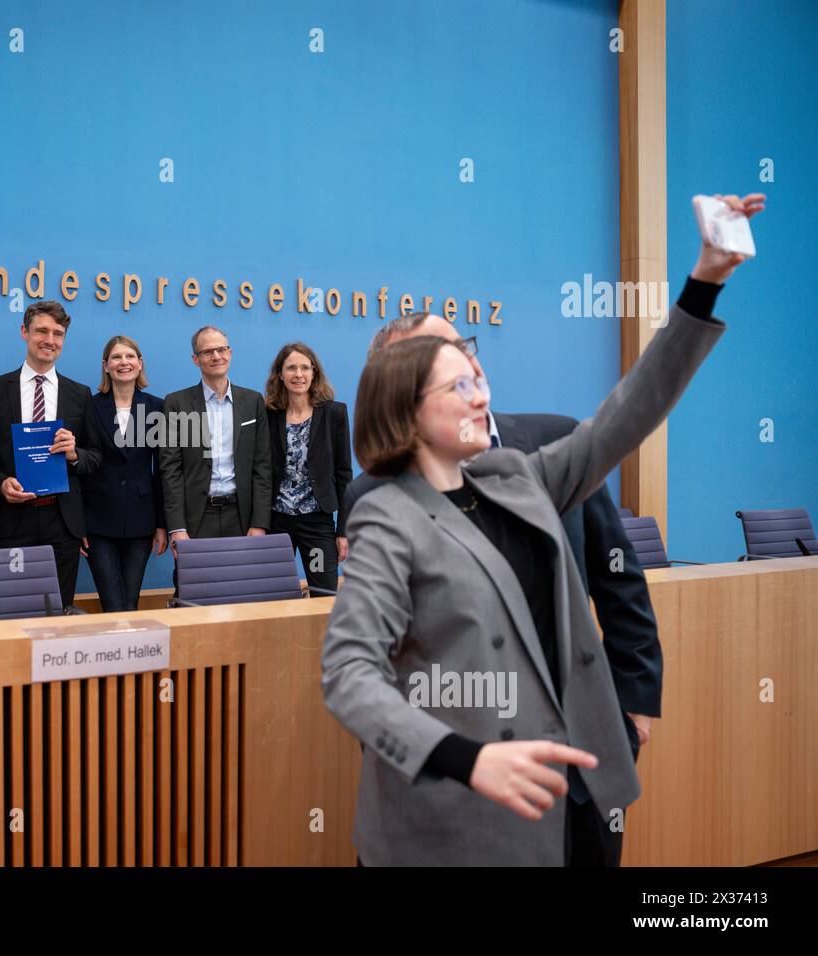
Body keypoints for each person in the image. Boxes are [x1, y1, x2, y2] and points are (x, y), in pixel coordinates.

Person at [322, 193, 763, 866]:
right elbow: (350, 674)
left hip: (570, 776)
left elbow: (629, 411)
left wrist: (704, 281)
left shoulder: (519, 476)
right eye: (458, 387)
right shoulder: (387, 513)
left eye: (477, 376)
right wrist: (466, 760)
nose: (484, 394)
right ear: (406, 413)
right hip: (458, 810)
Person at [344, 315, 663, 865]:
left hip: (579, 763)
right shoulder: (374, 493)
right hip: (459, 782)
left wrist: (634, 704)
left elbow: (618, 577)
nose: (462, 364)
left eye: (459, 347)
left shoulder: (553, 444)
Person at [0, 300, 101, 608]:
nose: (50, 340)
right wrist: (1, 482)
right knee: (12, 610)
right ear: (24, 332)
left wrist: (74, 454)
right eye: (42, 331)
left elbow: (95, 455)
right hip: (12, 519)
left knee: (58, 612)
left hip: (63, 521)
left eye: (58, 333)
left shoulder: (79, 393)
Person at [160, 326, 272, 553]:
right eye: (208, 351)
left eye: (221, 349)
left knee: (242, 586)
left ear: (230, 353)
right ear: (195, 359)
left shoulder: (253, 401)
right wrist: (177, 527)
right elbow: (170, 469)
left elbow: (263, 467)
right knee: (193, 587)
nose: (216, 356)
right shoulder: (176, 403)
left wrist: (259, 523)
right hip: (196, 519)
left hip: (241, 516)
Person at [81, 336, 167, 612]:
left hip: (141, 519)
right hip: (97, 521)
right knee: (112, 602)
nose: (124, 362)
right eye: (116, 357)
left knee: (130, 602)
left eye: (130, 356)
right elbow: (82, 464)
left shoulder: (157, 407)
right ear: (106, 366)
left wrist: (162, 523)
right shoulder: (89, 406)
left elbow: (162, 469)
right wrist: (77, 525)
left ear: (140, 364)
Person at [263, 342, 351, 593]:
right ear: (280, 374)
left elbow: (344, 474)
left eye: (304, 367)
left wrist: (342, 530)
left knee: (323, 590)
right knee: (273, 594)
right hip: (276, 523)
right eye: (291, 368)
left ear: (314, 373)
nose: (298, 374)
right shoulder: (269, 414)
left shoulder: (334, 414)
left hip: (316, 524)